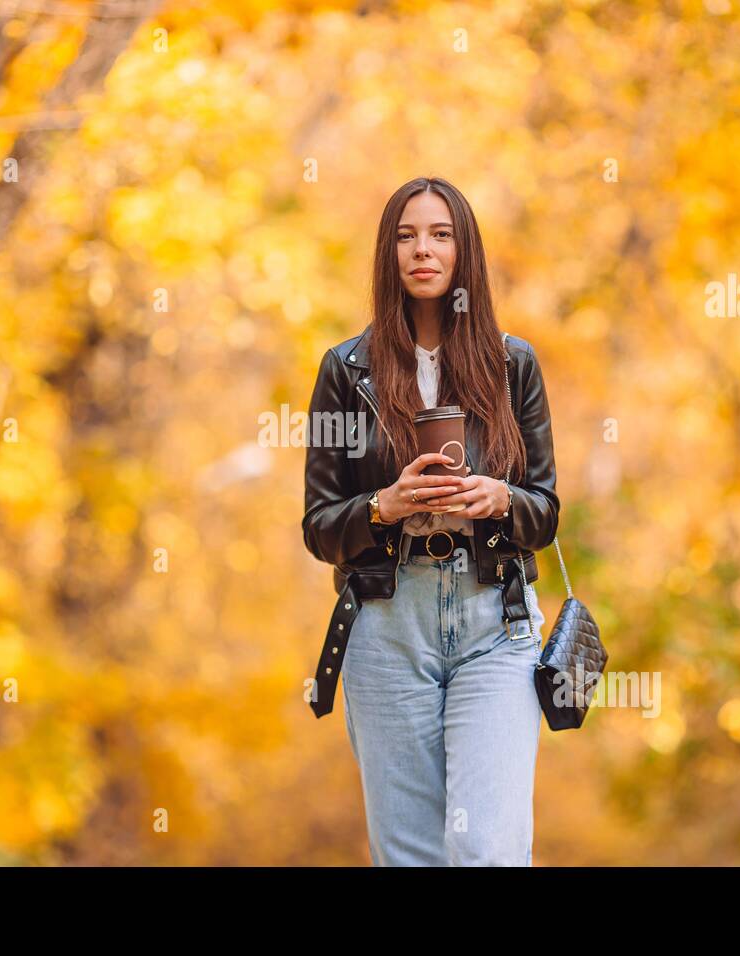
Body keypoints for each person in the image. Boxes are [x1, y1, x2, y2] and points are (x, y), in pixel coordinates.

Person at [301, 176, 560, 866]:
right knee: (410, 854)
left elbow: (547, 512)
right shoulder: (345, 372)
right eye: (406, 236)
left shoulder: (512, 365)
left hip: (496, 622)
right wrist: (383, 506)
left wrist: (499, 500)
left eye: (440, 235)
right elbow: (320, 526)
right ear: (388, 254)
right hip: (387, 626)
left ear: (463, 251)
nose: (423, 250)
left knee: (486, 847)